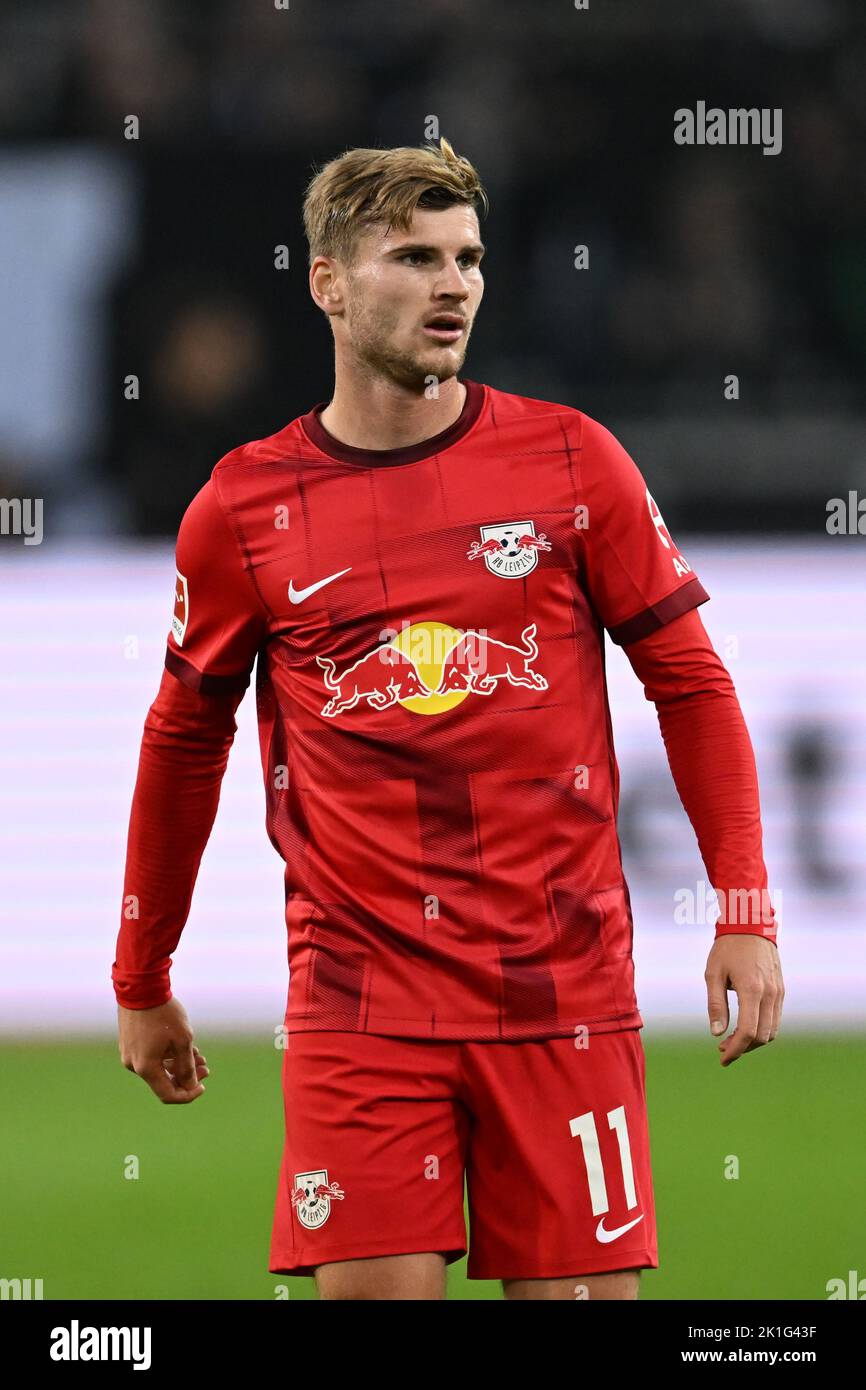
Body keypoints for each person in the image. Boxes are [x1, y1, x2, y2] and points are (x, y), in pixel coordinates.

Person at [113, 137, 784, 1301]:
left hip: (559, 994)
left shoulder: (574, 461)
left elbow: (690, 682)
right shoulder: (242, 507)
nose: (453, 284)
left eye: (467, 258)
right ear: (326, 282)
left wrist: (743, 906)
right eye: (413, 256)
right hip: (359, 1006)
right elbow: (182, 741)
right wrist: (141, 973)